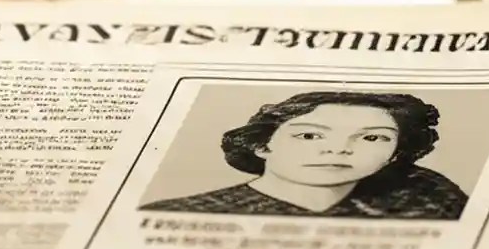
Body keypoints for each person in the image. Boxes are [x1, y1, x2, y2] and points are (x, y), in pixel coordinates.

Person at [140, 91, 467, 219]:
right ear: (262, 144)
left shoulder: (426, 193)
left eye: (372, 137)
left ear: (395, 153)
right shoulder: (177, 213)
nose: (339, 149)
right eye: (309, 135)